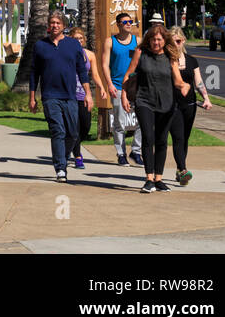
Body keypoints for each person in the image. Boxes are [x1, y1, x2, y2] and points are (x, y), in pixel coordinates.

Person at [119, 23, 190, 193]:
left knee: (161, 140)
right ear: (148, 40)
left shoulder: (170, 56)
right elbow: (128, 74)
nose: (156, 43)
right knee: (148, 137)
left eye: (159, 39)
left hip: (166, 103)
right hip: (144, 100)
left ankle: (159, 179)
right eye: (153, 39)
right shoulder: (141, 53)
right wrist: (124, 95)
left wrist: (184, 86)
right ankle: (149, 178)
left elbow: (177, 80)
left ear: (165, 40)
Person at [28, 11, 94, 182]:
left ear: (64, 26)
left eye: (58, 23)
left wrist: (88, 94)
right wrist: (32, 97)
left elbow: (82, 70)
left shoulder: (73, 45)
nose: (55, 25)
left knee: (73, 133)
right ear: (48, 26)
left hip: (70, 96)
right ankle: (60, 168)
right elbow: (34, 73)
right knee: (58, 130)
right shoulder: (40, 46)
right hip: (50, 96)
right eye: (52, 23)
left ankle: (62, 157)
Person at [166, 25, 212, 186]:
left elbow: (198, 82)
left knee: (184, 138)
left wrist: (205, 98)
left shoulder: (192, 60)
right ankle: (183, 169)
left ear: (183, 41)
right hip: (172, 104)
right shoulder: (165, 60)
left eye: (178, 41)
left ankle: (180, 170)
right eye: (171, 42)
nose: (175, 45)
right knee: (178, 136)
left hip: (190, 104)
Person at [101, 11, 142, 165]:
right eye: (125, 22)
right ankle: (121, 153)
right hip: (117, 86)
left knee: (143, 121)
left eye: (130, 21)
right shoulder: (110, 42)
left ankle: (136, 151)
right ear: (118, 24)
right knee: (119, 123)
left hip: (136, 88)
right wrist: (109, 84)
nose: (129, 24)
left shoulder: (137, 41)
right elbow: (104, 65)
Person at [66, 26, 110, 169]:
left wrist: (102, 87)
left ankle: (71, 147)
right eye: (75, 39)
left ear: (84, 40)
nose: (78, 41)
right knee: (74, 127)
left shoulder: (90, 55)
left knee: (85, 126)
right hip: (69, 95)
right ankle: (78, 155)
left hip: (84, 95)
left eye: (80, 38)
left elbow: (95, 75)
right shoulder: (66, 54)